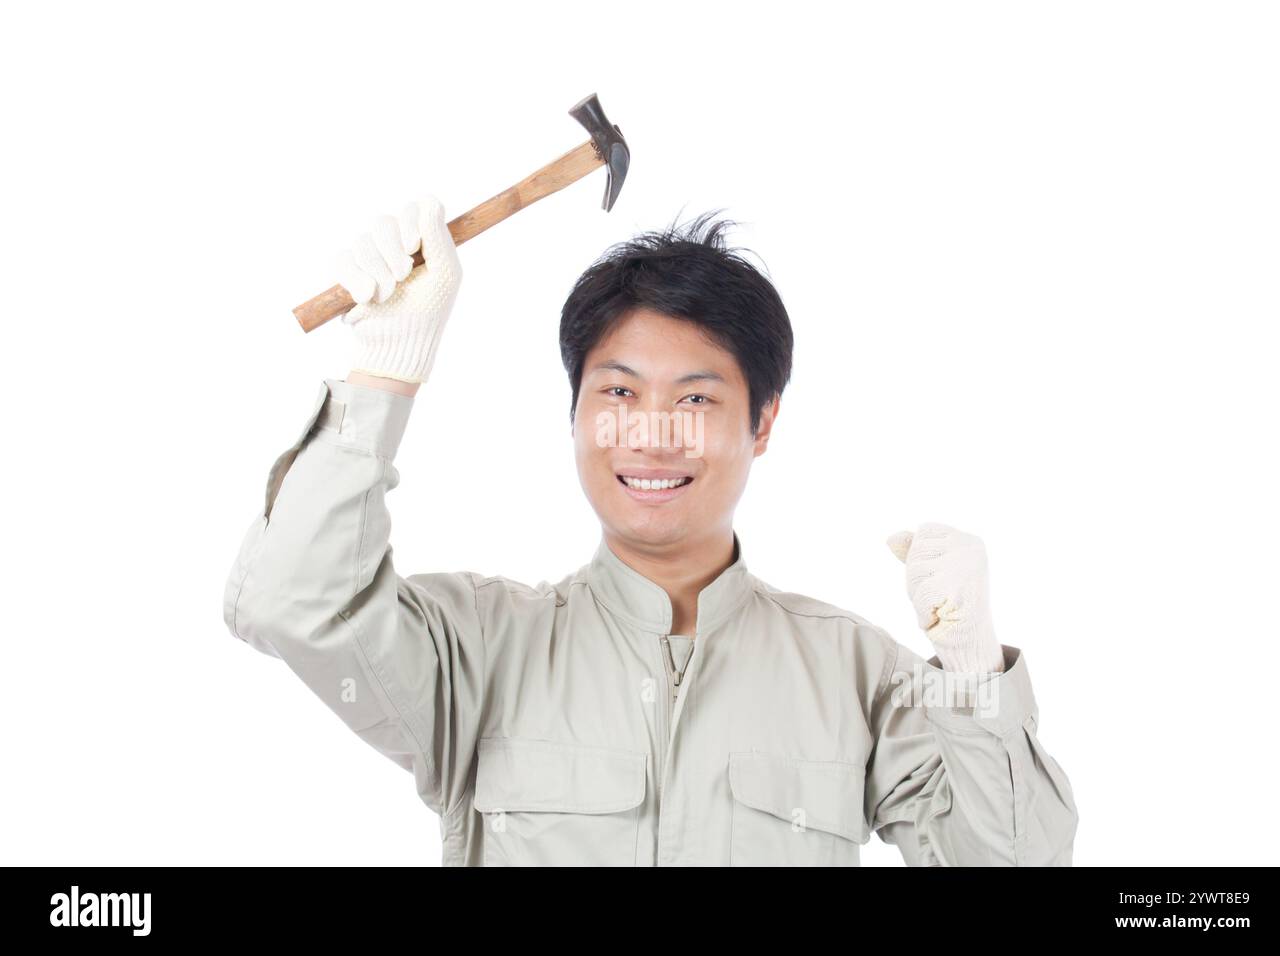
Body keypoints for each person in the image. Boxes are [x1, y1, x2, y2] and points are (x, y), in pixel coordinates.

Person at [221, 195, 1079, 866]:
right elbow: (292, 604)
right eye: (620, 392)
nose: (652, 431)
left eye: (696, 398)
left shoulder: (856, 674)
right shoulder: (476, 652)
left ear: (764, 421)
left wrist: (970, 673)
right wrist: (384, 374)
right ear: (575, 413)